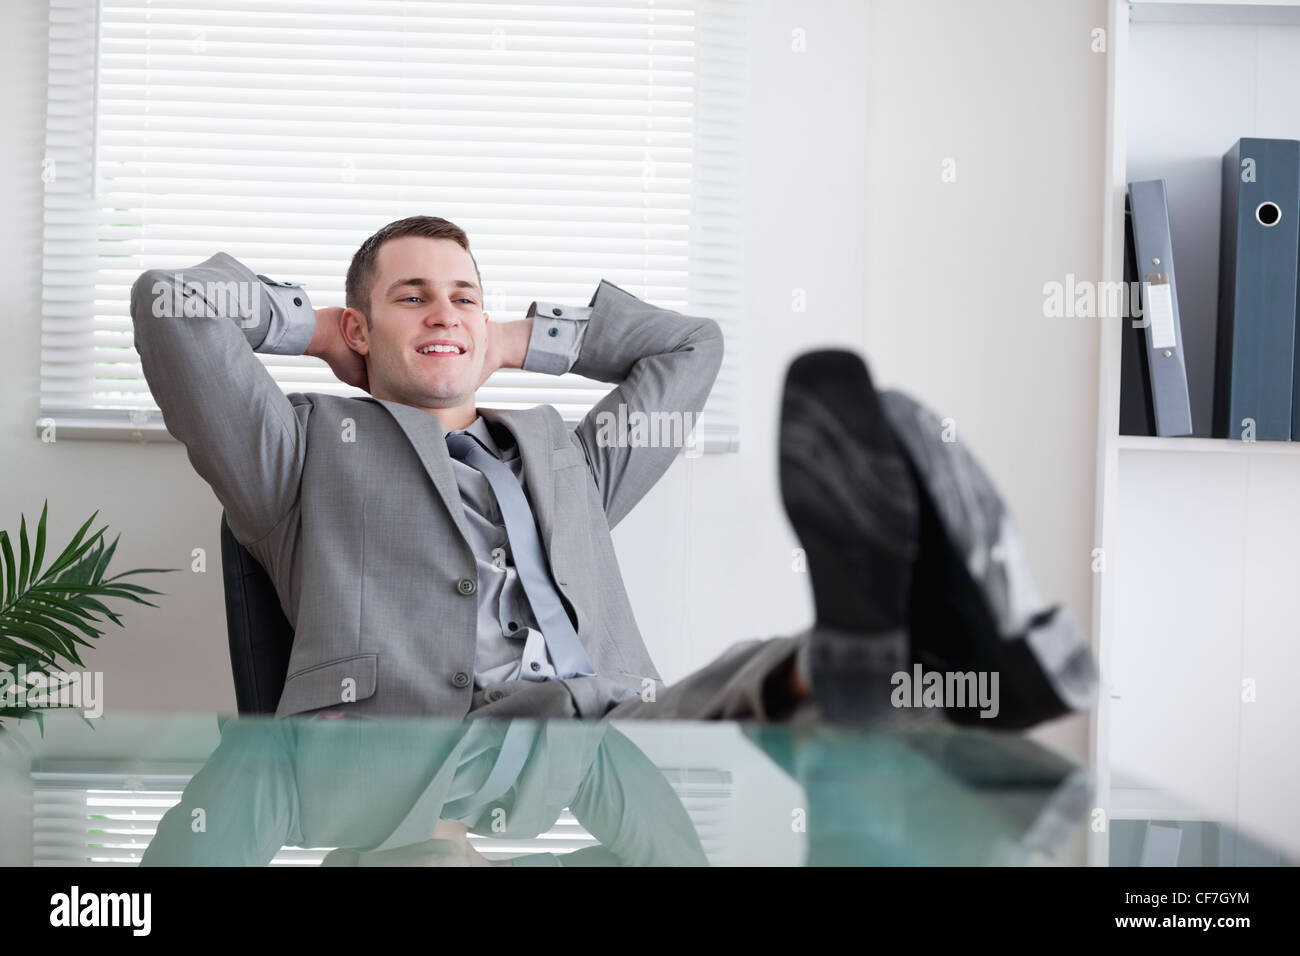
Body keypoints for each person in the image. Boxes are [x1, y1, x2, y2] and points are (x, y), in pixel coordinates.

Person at [131, 215, 1096, 729]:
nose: (446, 311)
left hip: (607, 738)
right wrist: (311, 330)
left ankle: (935, 648)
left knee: (748, 668)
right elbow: (175, 303)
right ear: (359, 326)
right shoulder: (298, 453)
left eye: (466, 295)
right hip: (406, 767)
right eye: (412, 296)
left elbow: (691, 349)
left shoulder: (568, 462)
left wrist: (507, 340)